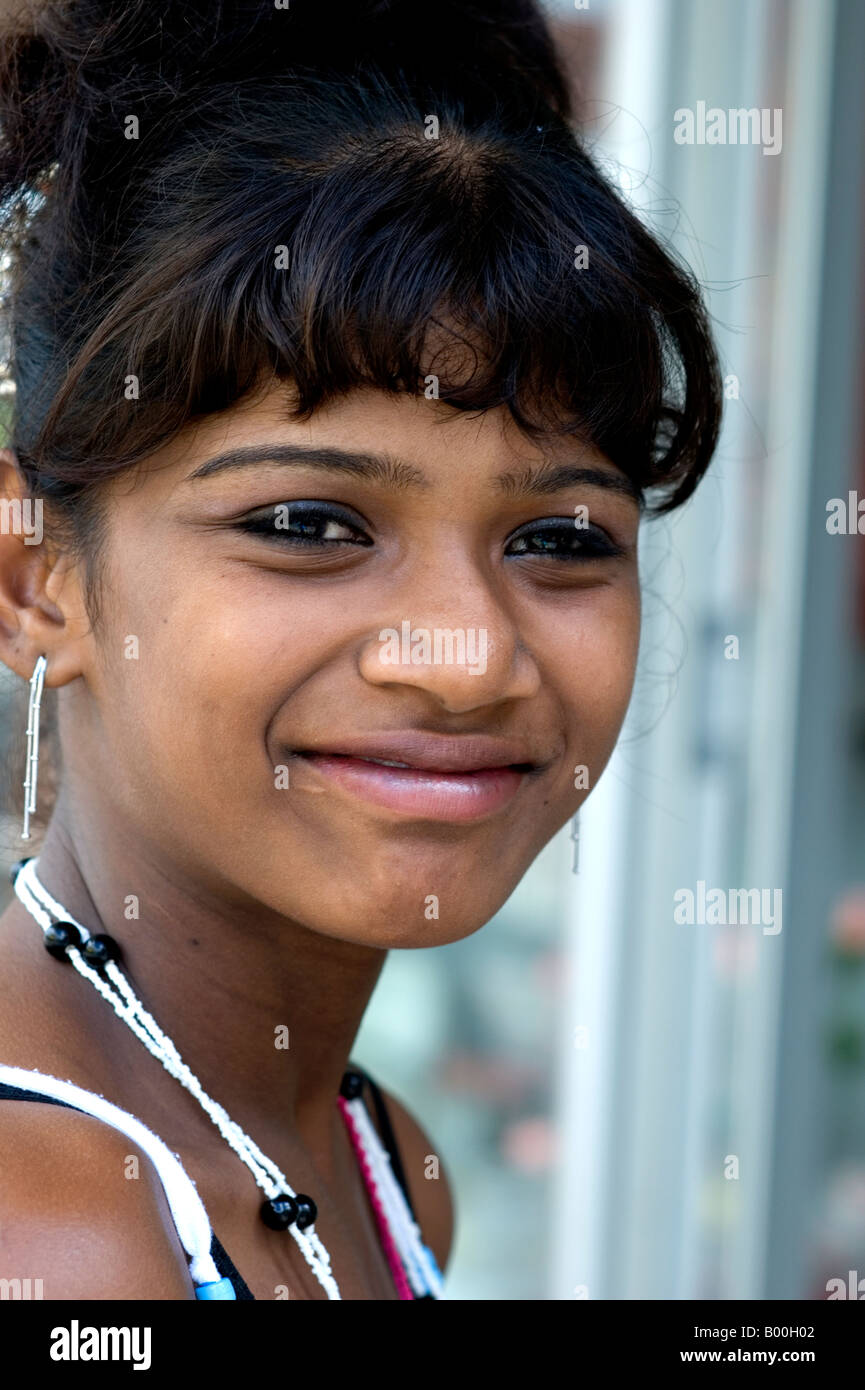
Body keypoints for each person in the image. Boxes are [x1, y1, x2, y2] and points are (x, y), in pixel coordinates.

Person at [0, 0, 722, 1299]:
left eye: (558, 539)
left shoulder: (382, 1162)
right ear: (33, 579)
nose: (466, 659)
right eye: (307, 522)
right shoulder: (55, 1232)